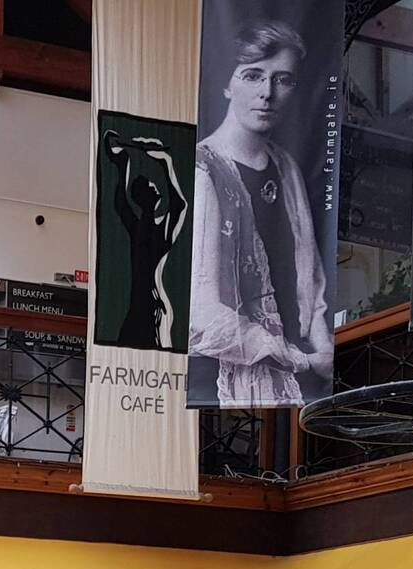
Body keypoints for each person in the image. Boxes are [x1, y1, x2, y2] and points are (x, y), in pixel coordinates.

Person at [190, 21, 332, 407]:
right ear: (227, 84)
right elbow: (200, 314)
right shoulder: (202, 170)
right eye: (253, 76)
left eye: (282, 80)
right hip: (221, 383)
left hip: (300, 383)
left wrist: (324, 350)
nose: (266, 93)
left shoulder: (286, 168)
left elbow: (310, 282)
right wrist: (296, 356)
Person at [103, 130, 189, 350]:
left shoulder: (152, 228)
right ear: (142, 197)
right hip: (145, 309)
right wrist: (124, 164)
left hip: (153, 307)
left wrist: (165, 163)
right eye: (149, 187)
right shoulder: (145, 228)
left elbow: (180, 206)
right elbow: (121, 202)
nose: (154, 187)